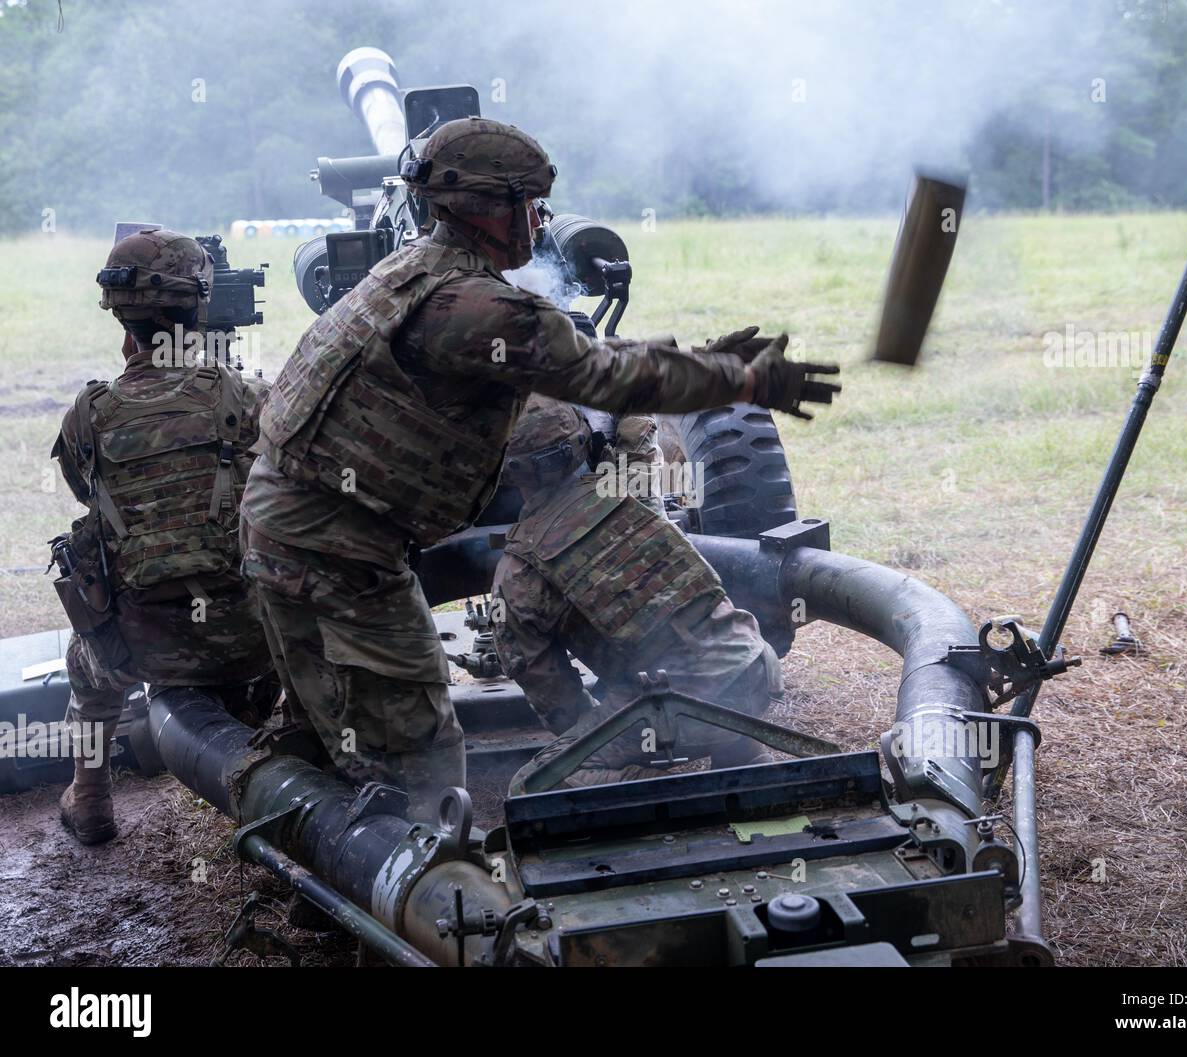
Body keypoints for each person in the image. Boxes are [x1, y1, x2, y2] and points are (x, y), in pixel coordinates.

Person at [240, 116, 838, 820]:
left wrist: (701, 358)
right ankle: (435, 897)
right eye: (531, 205)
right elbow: (600, 373)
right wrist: (738, 379)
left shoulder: (405, 276)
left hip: (279, 524)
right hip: (341, 551)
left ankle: (319, 868)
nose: (540, 220)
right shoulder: (474, 307)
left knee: (326, 719)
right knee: (421, 747)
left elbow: (579, 358)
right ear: (489, 211)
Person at [50, 228, 273, 844]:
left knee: (85, 667)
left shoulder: (87, 416)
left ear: (120, 315)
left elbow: (92, 498)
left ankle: (91, 800)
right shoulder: (251, 399)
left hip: (142, 645)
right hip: (250, 639)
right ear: (199, 305)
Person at [491, 396, 782, 792]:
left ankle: (670, 793)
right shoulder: (634, 492)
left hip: (691, 704)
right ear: (584, 443)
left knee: (531, 785)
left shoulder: (518, 572)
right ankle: (743, 758)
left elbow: (560, 703)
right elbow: (638, 431)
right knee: (695, 660)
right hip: (757, 672)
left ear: (507, 474)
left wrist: (604, 734)